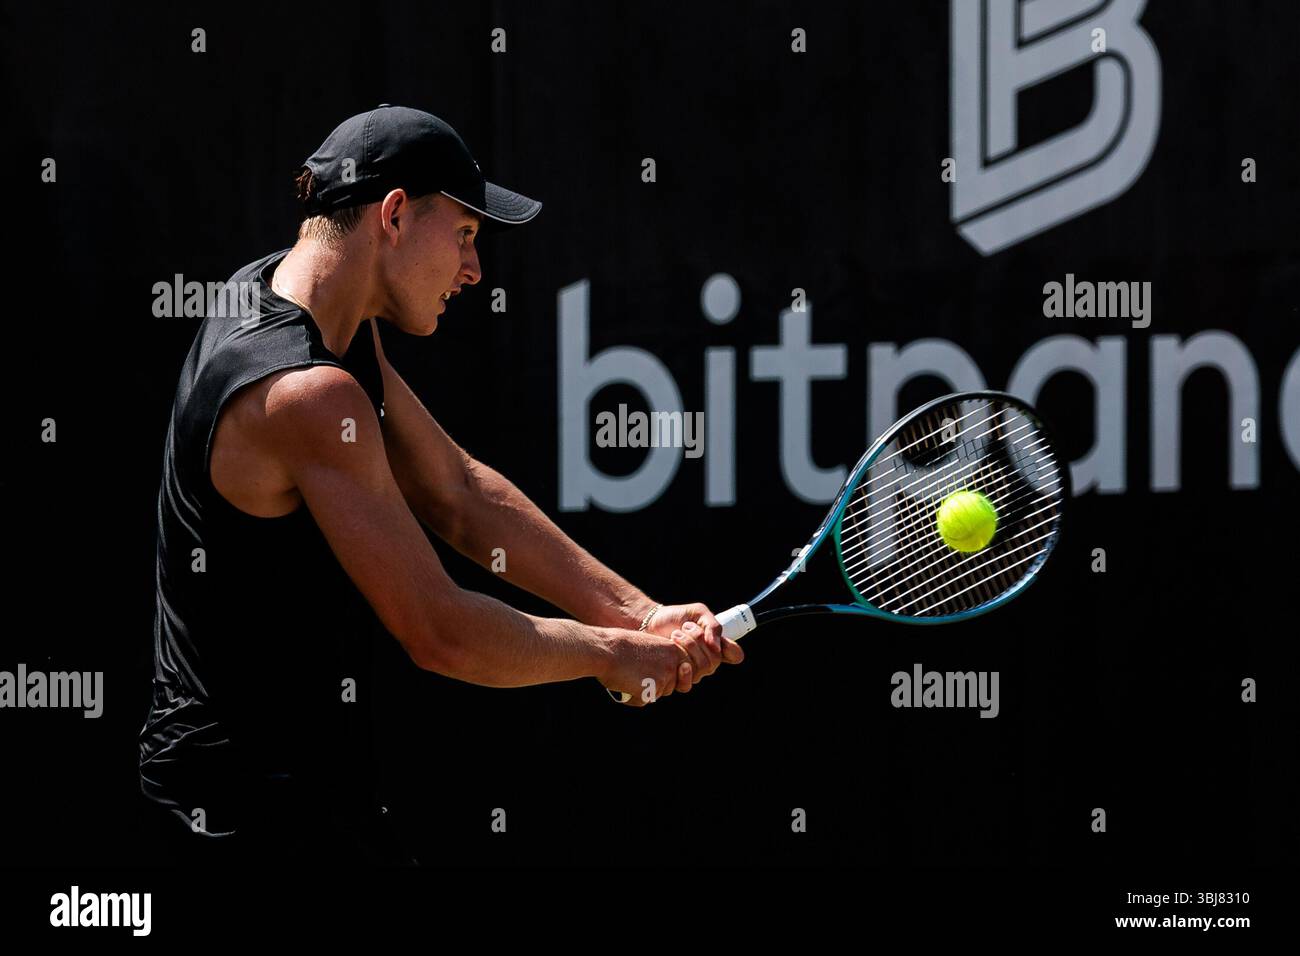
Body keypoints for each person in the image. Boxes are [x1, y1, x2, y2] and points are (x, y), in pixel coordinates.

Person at [138, 106, 744, 864]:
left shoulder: (298, 306)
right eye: (463, 235)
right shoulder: (304, 393)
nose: (474, 270)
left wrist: (639, 614)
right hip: (237, 817)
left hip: (301, 798)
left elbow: (454, 492)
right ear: (393, 215)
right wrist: (609, 653)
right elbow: (441, 632)